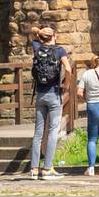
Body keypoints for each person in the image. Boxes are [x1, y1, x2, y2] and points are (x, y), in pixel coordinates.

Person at [29, 24, 72, 180]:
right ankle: (47, 169)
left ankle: (34, 169)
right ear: (55, 36)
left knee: (38, 133)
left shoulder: (36, 47)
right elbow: (68, 69)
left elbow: (32, 30)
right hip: (54, 94)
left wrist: (41, 33)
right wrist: (66, 84)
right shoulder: (59, 50)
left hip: (40, 95)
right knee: (53, 131)